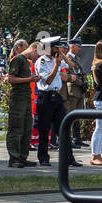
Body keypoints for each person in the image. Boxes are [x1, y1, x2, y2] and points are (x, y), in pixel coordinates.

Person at [34, 38, 78, 167]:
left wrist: (62, 55)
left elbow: (71, 65)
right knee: (45, 129)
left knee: (63, 128)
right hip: (46, 97)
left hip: (56, 97)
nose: (58, 50)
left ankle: (69, 158)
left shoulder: (56, 59)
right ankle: (43, 158)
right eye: (56, 48)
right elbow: (47, 80)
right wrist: (56, 66)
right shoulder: (41, 61)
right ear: (48, 48)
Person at [4, 39, 35, 168]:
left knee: (27, 128)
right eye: (36, 53)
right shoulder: (18, 59)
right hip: (18, 98)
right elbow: (11, 78)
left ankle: (22, 157)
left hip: (26, 97)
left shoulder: (27, 62)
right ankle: (14, 158)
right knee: (16, 128)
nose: (37, 56)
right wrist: (29, 79)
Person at [62, 37, 87, 147]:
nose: (80, 49)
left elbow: (81, 72)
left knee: (78, 115)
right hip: (72, 89)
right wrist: (81, 83)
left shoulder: (77, 58)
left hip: (79, 90)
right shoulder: (66, 58)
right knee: (71, 115)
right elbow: (70, 74)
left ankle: (77, 138)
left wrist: (84, 82)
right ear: (72, 45)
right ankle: (71, 138)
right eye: (78, 46)